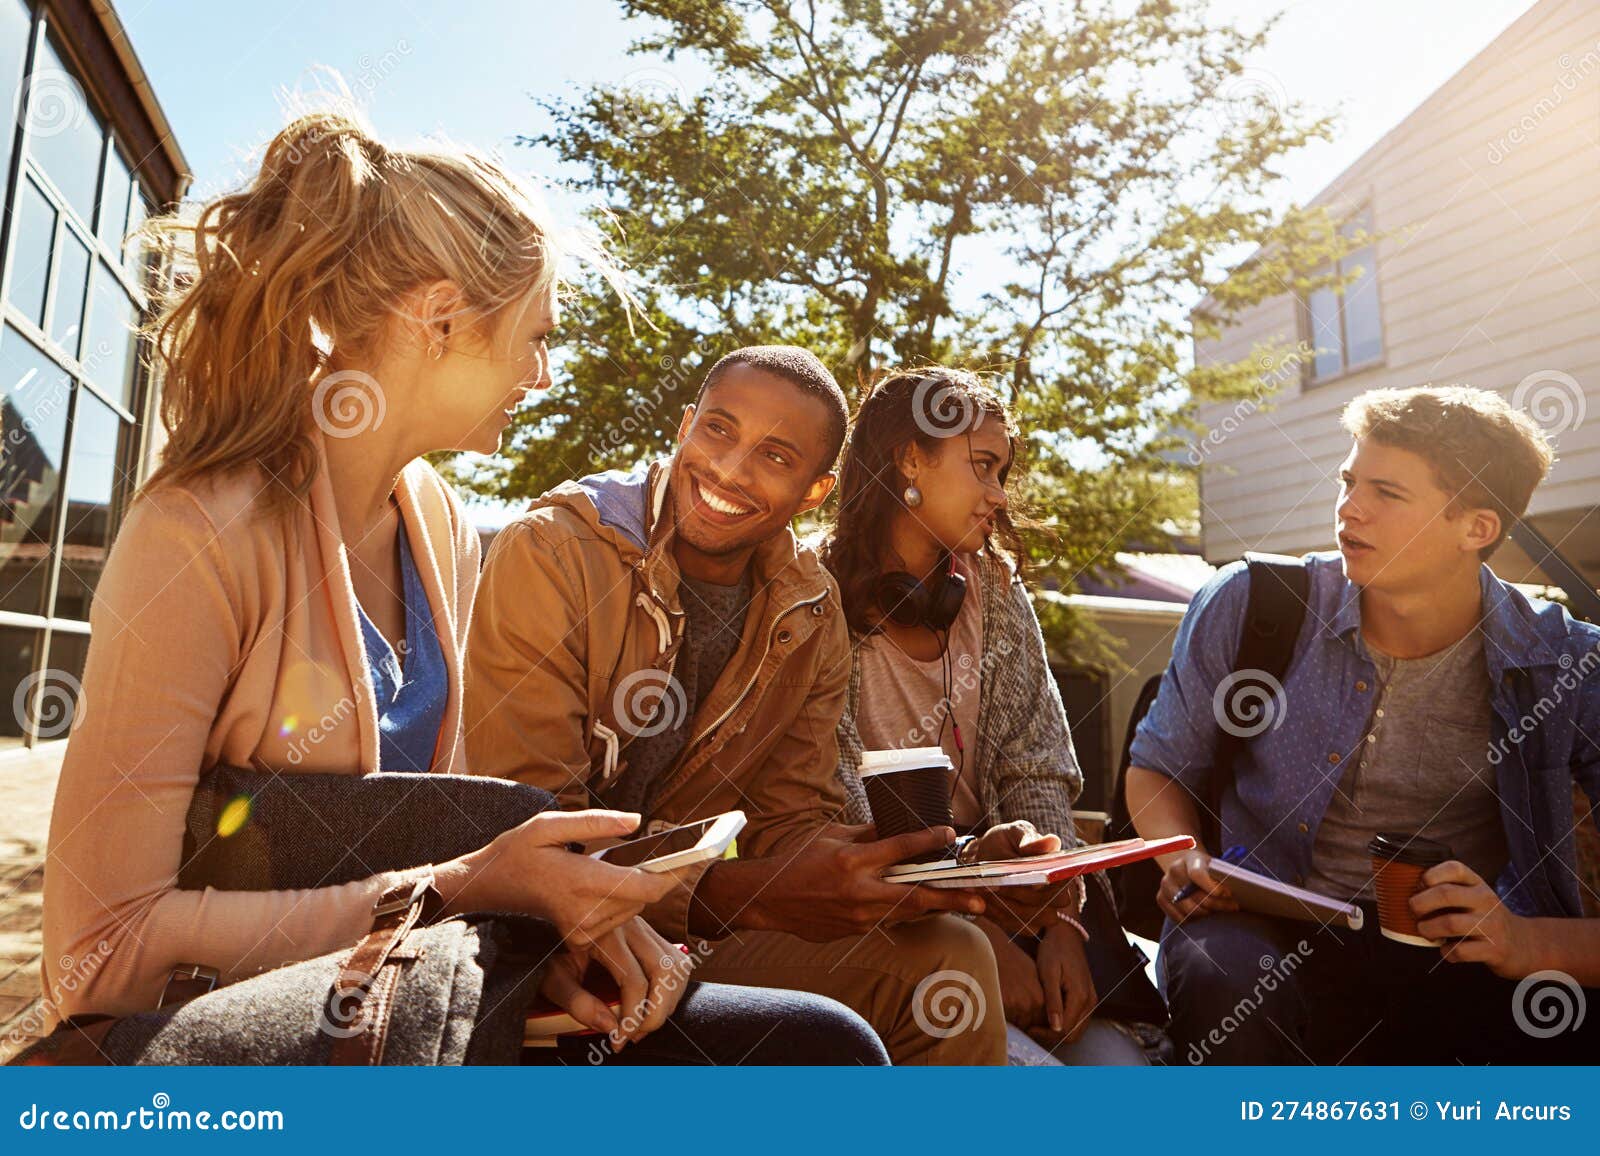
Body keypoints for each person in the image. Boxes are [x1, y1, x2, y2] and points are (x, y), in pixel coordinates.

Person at [40, 114, 885, 1066]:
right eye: (534, 338)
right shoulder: (197, 535)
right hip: (248, 1043)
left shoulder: (437, 521)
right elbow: (93, 957)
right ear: (441, 317)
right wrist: (461, 892)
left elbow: (428, 854)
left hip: (406, 997)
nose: (542, 374)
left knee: (822, 1048)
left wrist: (538, 935)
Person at [464, 345, 1008, 1064]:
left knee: (951, 955)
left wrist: (941, 866)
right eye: (718, 430)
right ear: (685, 425)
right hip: (530, 934)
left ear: (816, 491)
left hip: (688, 926)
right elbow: (534, 827)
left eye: (776, 457)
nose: (728, 469)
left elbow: (790, 819)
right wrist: (740, 893)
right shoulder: (555, 553)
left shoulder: (812, 609)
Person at [1127, 385, 1600, 1064]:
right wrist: (1184, 856)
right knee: (1224, 983)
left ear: (1476, 528)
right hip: (1254, 925)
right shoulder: (1255, 603)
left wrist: (1524, 941)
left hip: (1450, 950)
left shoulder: (1568, 664)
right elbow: (1157, 766)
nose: (1349, 507)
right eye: (1349, 481)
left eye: (1387, 492)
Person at [825, 367, 1152, 1065]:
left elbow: (1040, 767)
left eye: (1001, 471)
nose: (998, 495)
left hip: (1020, 902)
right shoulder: (811, 599)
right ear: (910, 457)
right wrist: (969, 928)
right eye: (983, 467)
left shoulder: (995, 592)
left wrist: (1064, 918)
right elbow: (835, 803)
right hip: (895, 916)